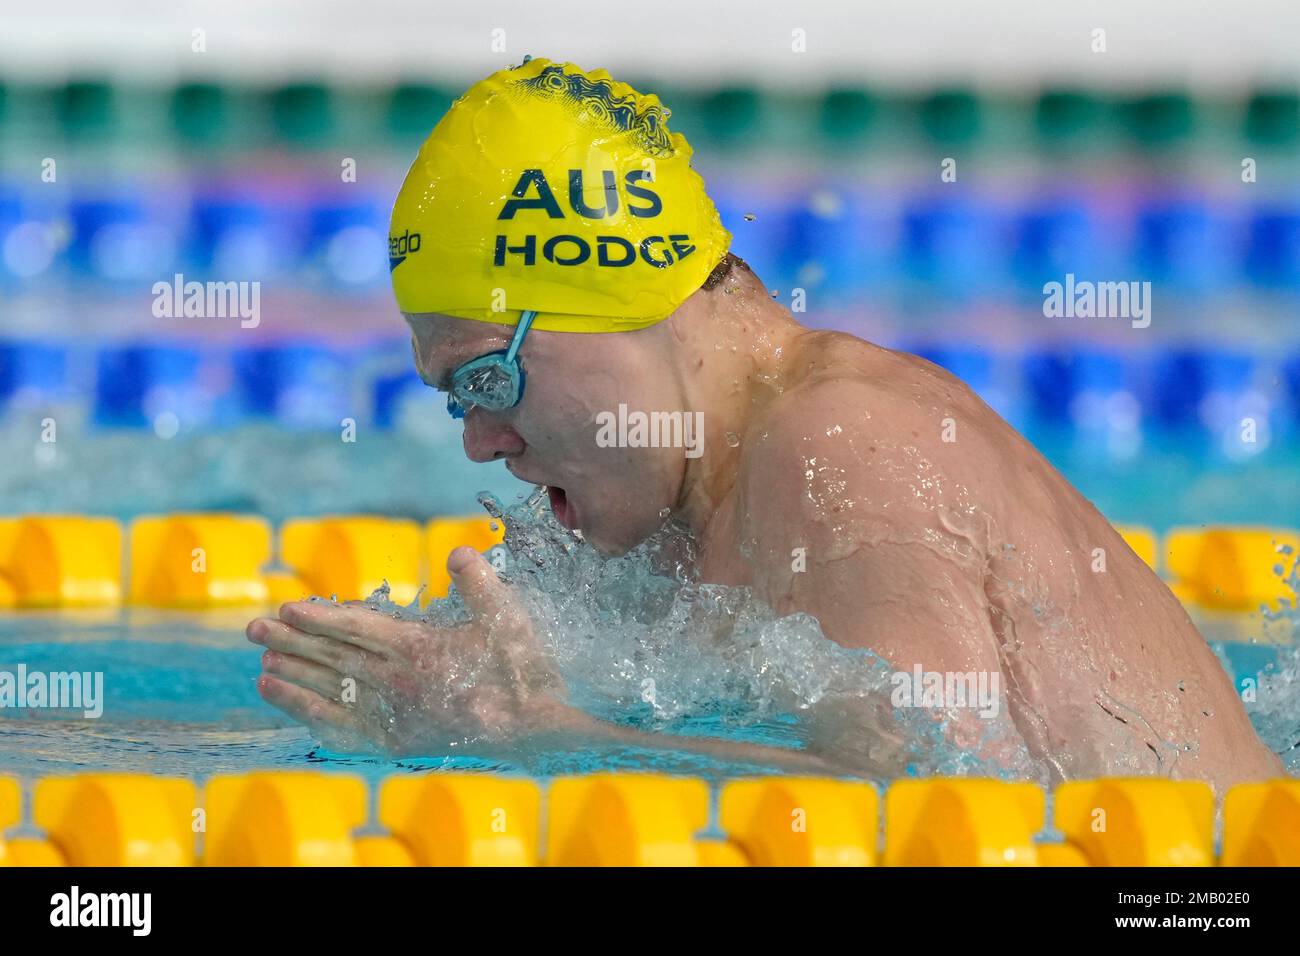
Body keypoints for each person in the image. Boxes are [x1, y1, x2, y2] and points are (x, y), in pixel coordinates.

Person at [246, 57, 1281, 789]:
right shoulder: (690, 494)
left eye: (486, 380)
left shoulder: (841, 446)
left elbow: (948, 812)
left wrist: (540, 732)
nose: (479, 442)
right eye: (452, 399)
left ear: (613, 302)